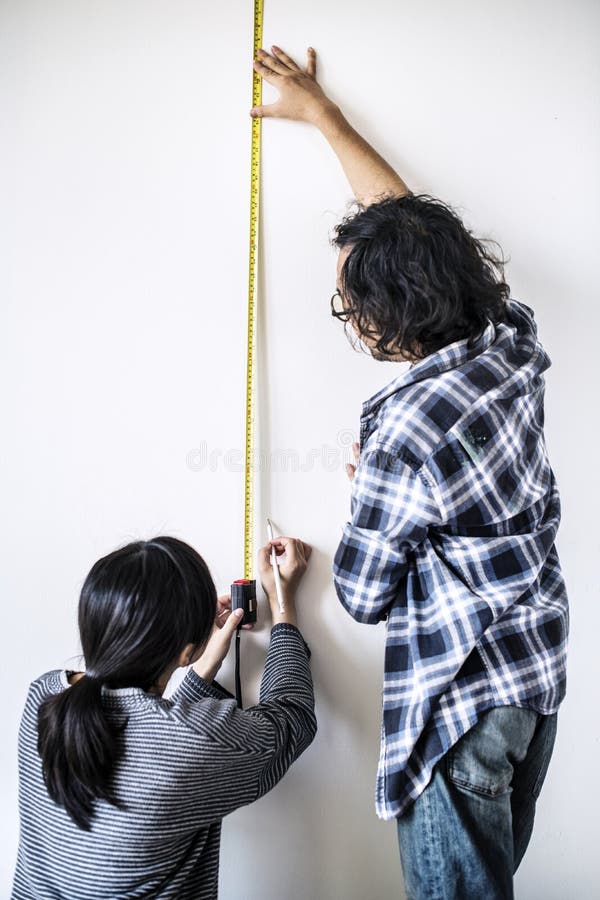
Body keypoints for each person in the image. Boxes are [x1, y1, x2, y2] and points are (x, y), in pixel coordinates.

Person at [251, 46, 569, 900]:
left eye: (353, 308)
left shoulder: (406, 429)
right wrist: (321, 115)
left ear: (391, 321)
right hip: (532, 678)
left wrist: (370, 492)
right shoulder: (509, 341)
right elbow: (409, 229)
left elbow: (362, 593)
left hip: (460, 712)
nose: (349, 316)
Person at [12, 534, 315, 899]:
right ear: (185, 652)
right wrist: (283, 604)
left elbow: (151, 738)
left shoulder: (43, 697)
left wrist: (201, 668)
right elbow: (291, 718)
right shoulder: (194, 741)